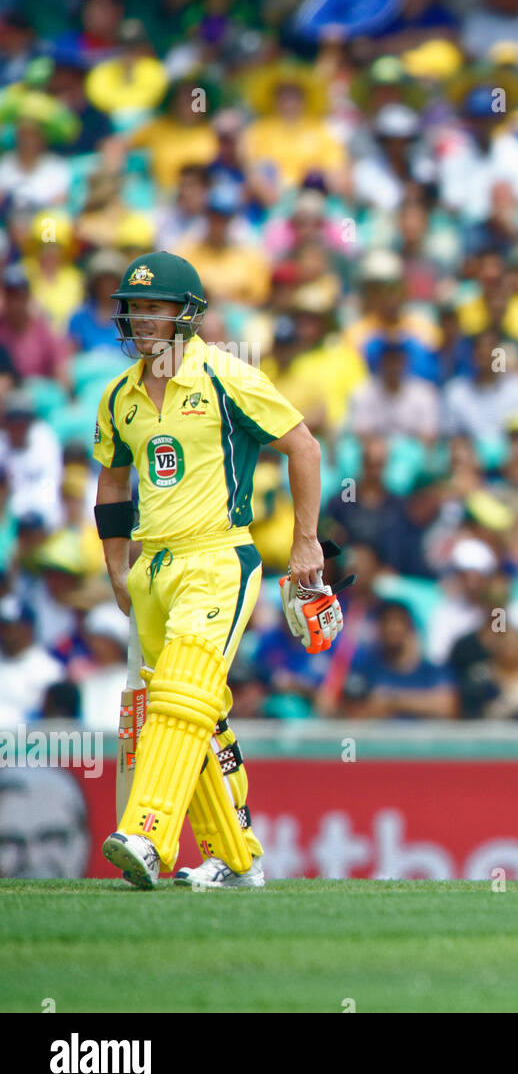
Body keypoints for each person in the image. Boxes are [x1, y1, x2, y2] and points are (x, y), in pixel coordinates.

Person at [93, 251, 339, 890]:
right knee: (198, 714)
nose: (141, 319)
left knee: (178, 697)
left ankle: (148, 835)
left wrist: (307, 543)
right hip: (152, 566)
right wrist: (118, 570)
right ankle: (238, 860)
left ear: (187, 314)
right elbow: (113, 482)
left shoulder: (228, 376)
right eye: (134, 307)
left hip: (218, 557)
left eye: (154, 307)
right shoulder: (120, 397)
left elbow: (303, 445)